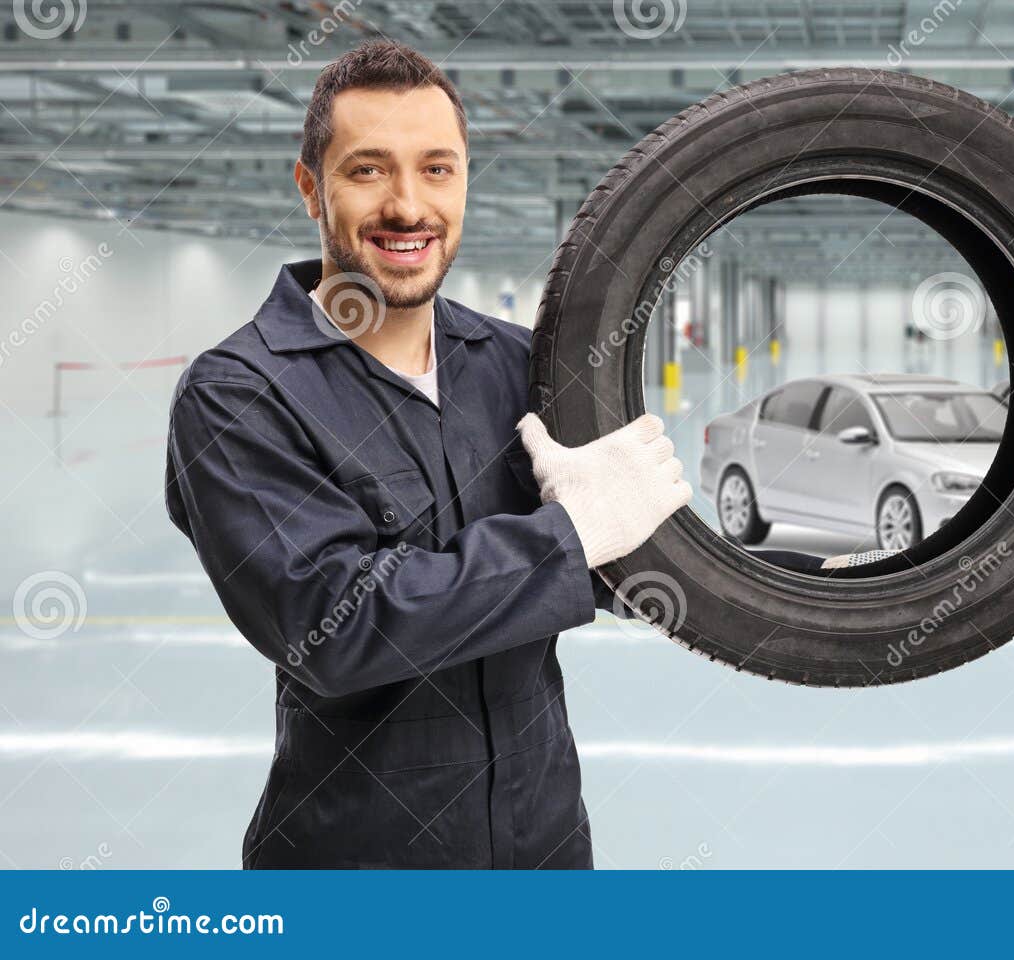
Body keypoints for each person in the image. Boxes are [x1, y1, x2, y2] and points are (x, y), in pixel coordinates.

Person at [163, 39, 697, 869]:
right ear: (310, 187)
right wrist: (569, 533)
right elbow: (330, 627)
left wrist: (812, 586)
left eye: (437, 169)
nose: (408, 206)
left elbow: (620, 564)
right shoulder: (238, 395)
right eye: (367, 170)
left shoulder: (520, 364)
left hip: (546, 851)